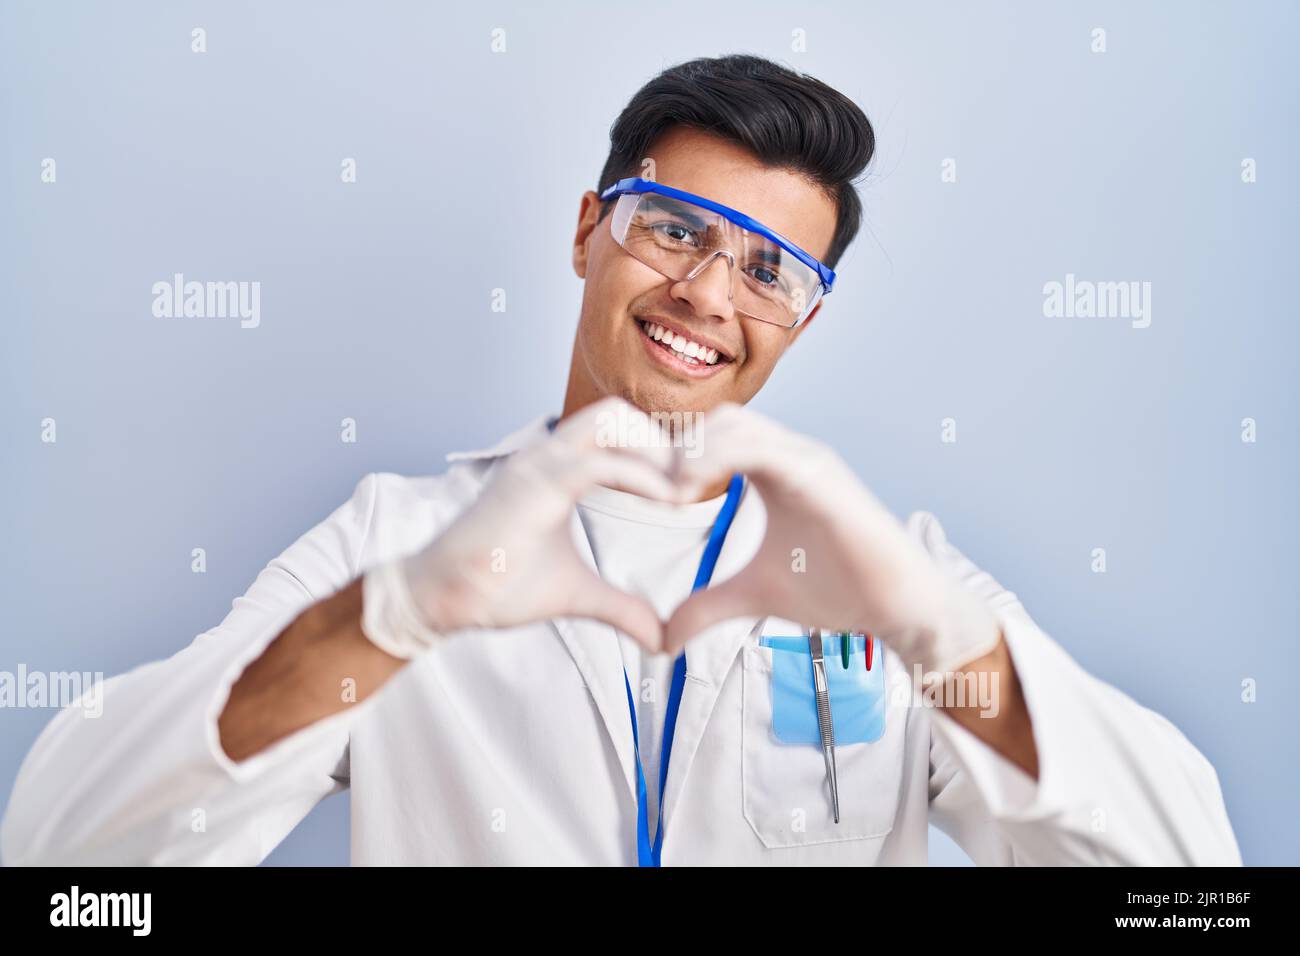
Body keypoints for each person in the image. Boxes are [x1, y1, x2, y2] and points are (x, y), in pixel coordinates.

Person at [1, 54, 1240, 866]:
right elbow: (67, 863)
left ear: (806, 318)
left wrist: (940, 634)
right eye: (674, 232)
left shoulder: (889, 581)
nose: (707, 294)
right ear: (590, 229)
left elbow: (1184, 890)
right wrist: (392, 619)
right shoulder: (397, 541)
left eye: (768, 270)